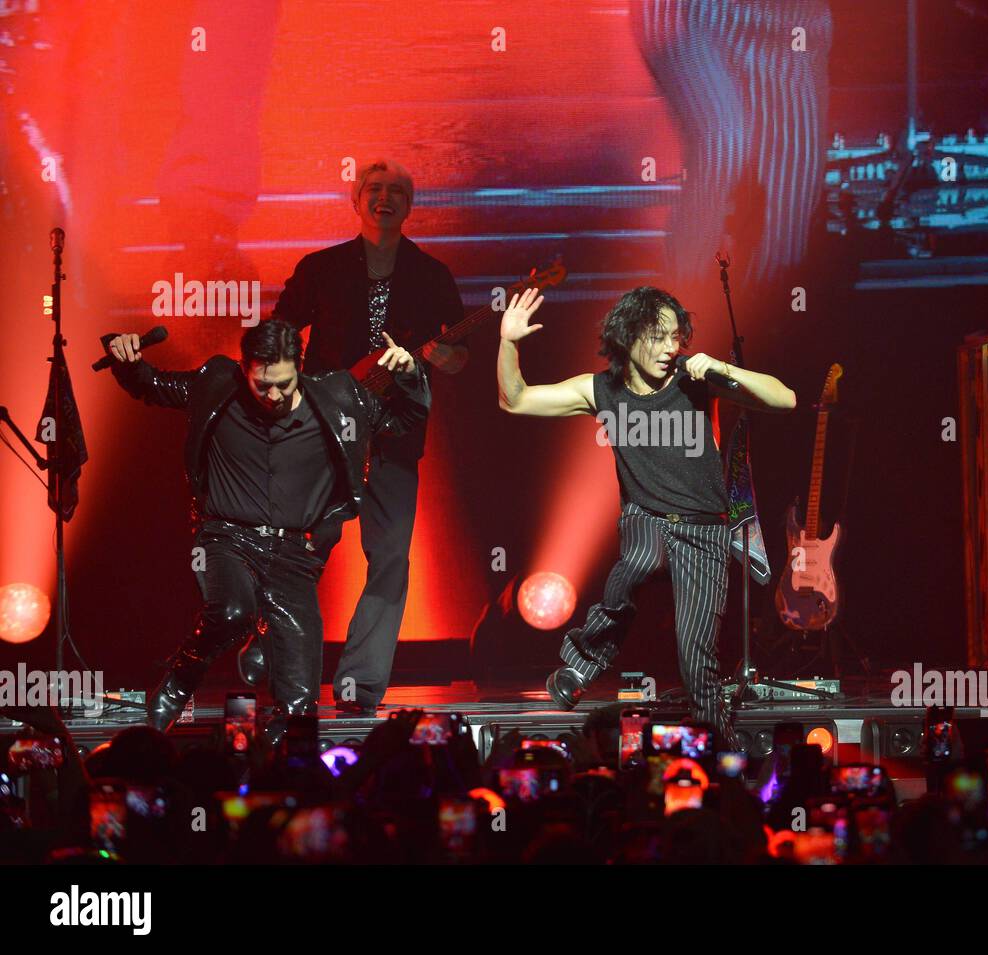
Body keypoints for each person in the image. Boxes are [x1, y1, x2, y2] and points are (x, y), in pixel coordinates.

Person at [496, 286, 796, 746]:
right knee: (638, 561)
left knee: (695, 652)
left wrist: (723, 368)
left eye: (676, 337)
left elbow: (785, 399)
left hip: (702, 528)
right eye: (658, 336)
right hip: (645, 517)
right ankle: (579, 667)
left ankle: (717, 745)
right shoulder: (601, 390)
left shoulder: (695, 379)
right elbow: (514, 400)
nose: (670, 348)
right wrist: (509, 342)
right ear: (629, 335)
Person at [105, 320, 429, 737]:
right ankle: (178, 680)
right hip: (226, 538)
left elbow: (406, 418)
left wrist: (409, 376)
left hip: (295, 554)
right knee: (232, 610)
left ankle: (273, 780)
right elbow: (153, 385)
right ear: (244, 370)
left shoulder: (340, 397)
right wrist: (127, 361)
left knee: (299, 708)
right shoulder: (217, 385)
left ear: (300, 368)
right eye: (262, 385)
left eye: (283, 384)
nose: (273, 395)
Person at [244, 158, 467, 715]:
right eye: (374, 189)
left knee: (389, 557)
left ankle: (360, 685)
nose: (384, 198)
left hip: (393, 434)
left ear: (409, 205)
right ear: (356, 199)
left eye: (396, 191)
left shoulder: (433, 275)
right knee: (297, 547)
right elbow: (278, 333)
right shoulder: (321, 267)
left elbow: (460, 358)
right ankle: (274, 647)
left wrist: (443, 356)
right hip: (322, 429)